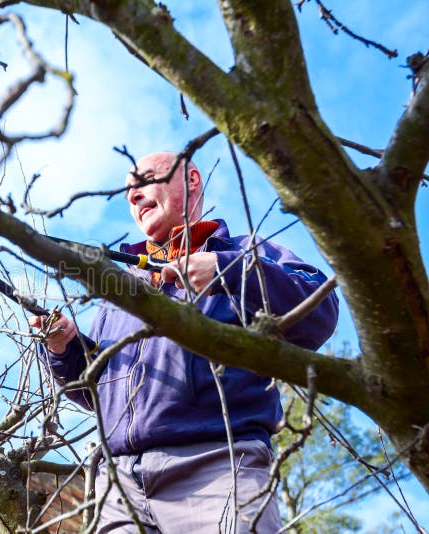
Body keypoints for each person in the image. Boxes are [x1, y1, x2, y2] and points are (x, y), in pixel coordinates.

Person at [29, 152, 339, 533]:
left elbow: (320, 309)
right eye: (127, 192)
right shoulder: (122, 290)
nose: (133, 197)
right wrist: (64, 348)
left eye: (143, 182)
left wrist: (227, 269)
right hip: (119, 488)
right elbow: (96, 392)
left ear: (191, 179)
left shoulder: (246, 252)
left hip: (219, 466)